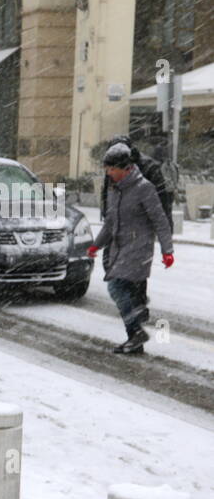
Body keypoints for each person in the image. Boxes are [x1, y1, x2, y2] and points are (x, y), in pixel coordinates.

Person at [89, 144, 175, 354]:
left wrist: (167, 250)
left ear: (126, 168)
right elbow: (110, 222)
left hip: (139, 248)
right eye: (107, 169)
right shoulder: (114, 188)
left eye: (112, 169)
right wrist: (96, 245)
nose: (109, 173)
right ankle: (135, 337)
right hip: (119, 247)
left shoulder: (144, 188)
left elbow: (160, 220)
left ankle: (136, 330)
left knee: (116, 287)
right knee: (125, 289)